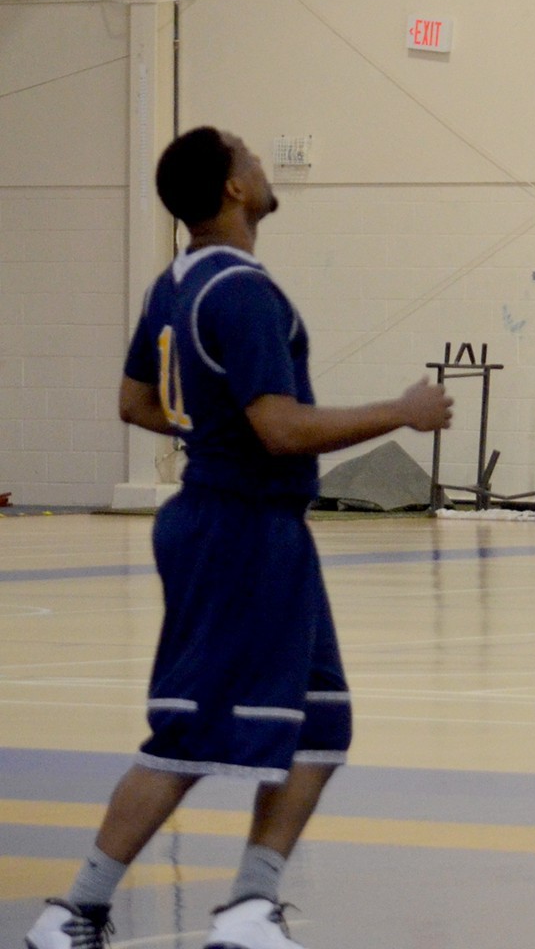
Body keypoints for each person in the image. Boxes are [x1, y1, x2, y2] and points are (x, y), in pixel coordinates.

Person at [26, 126, 453, 949]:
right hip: (235, 531)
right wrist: (400, 413)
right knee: (187, 732)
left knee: (321, 725)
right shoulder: (241, 293)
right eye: (250, 156)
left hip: (254, 528)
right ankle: (73, 910)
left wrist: (210, 431)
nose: (261, 166)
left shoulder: (175, 284)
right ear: (232, 188)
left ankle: (251, 909)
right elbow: (282, 429)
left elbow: (136, 402)